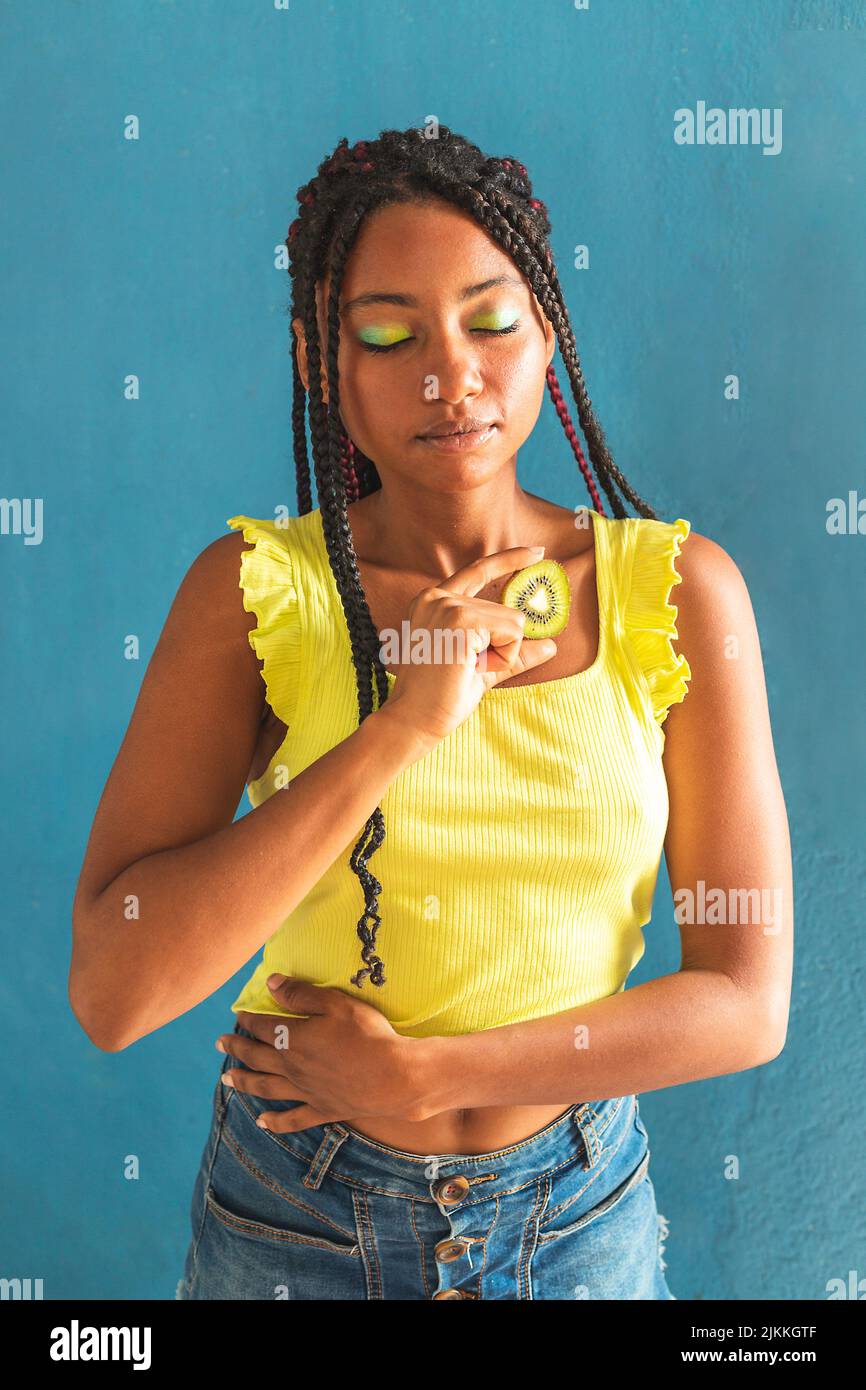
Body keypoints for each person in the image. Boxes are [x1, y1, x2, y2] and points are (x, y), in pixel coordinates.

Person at [70, 126, 793, 1300]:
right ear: (321, 358)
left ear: (547, 329)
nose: (448, 372)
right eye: (387, 333)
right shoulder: (254, 593)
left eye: (491, 321)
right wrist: (401, 726)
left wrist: (429, 1076)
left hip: (575, 1217)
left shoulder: (677, 590)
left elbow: (744, 1003)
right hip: (296, 1219)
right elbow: (115, 990)